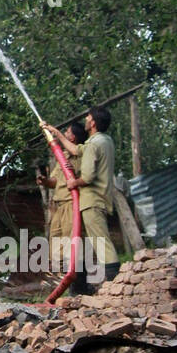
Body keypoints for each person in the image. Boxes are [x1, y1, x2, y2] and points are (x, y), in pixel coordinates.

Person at [43, 106, 120, 287]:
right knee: (88, 242)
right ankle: (86, 286)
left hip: (92, 199)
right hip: (99, 198)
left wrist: (74, 182)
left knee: (100, 242)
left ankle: (115, 284)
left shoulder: (93, 144)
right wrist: (56, 133)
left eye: (88, 117)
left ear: (93, 123)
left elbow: (88, 176)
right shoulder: (104, 141)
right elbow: (77, 150)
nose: (86, 119)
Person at [37, 120, 87, 285]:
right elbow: (55, 181)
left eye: (67, 132)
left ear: (73, 138)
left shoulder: (81, 155)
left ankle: (76, 283)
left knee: (70, 241)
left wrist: (55, 133)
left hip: (71, 204)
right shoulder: (62, 156)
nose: (65, 134)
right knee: (55, 240)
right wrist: (45, 181)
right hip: (58, 205)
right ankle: (58, 278)